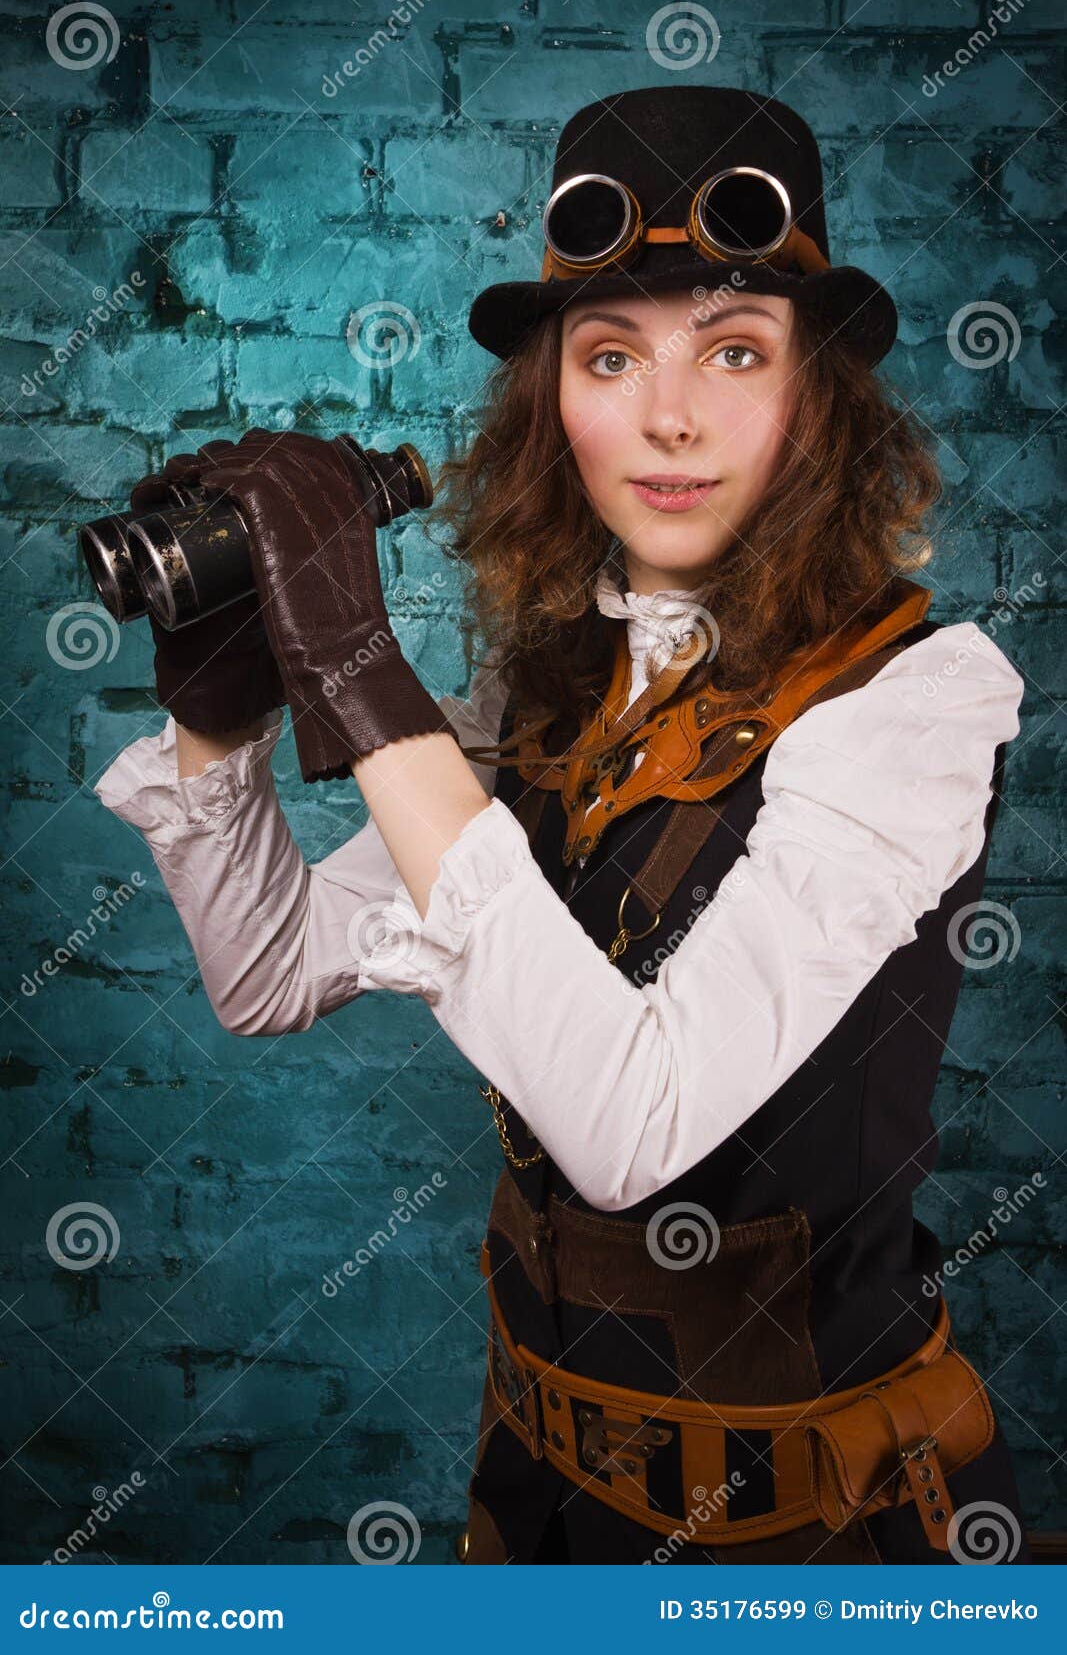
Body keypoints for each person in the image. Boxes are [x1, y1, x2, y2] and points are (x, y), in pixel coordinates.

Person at [92, 86, 1031, 1566]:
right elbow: (267, 974)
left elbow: (629, 1133)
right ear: (556, 405)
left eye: (736, 351)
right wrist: (223, 719)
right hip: (528, 1507)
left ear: (821, 404)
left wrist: (354, 670)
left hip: (809, 1553)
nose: (670, 416)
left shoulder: (911, 709)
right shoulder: (541, 701)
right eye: (611, 356)